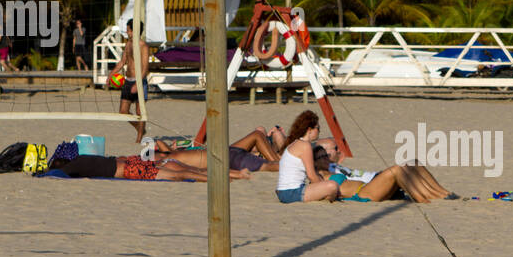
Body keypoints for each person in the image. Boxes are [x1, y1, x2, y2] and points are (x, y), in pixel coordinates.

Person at [314, 139, 453, 203]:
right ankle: (422, 199)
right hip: (361, 194)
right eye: (322, 157)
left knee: (412, 162)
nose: (326, 159)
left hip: (368, 187)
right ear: (314, 162)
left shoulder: (333, 168)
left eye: (326, 155)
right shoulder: (317, 177)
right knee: (397, 170)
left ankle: (441, 193)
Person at [154, 125, 285, 172]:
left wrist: (174, 146)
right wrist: (162, 146)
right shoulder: (170, 158)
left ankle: (278, 157)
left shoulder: (175, 157)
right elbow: (159, 143)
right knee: (257, 134)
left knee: (258, 134)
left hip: (224, 153)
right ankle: (279, 162)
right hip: (223, 157)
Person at [48, 153, 251, 182]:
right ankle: (237, 173)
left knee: (181, 174)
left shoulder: (72, 169)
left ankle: (225, 178)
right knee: (186, 169)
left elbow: (55, 175)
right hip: (130, 161)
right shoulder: (82, 157)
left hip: (130, 171)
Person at [275, 111, 339, 203]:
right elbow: (311, 175)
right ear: (309, 130)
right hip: (292, 192)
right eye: (318, 128)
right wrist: (323, 187)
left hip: (285, 191)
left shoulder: (295, 143)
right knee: (332, 186)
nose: (319, 131)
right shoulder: (305, 146)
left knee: (323, 180)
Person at [109, 20, 150, 143]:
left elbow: (145, 68)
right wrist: (110, 75)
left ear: (134, 31)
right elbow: (122, 62)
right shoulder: (128, 45)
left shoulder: (143, 46)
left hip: (139, 81)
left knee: (139, 112)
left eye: (128, 30)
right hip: (127, 81)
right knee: (123, 112)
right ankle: (140, 129)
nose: (127, 33)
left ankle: (139, 139)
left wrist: (138, 84)